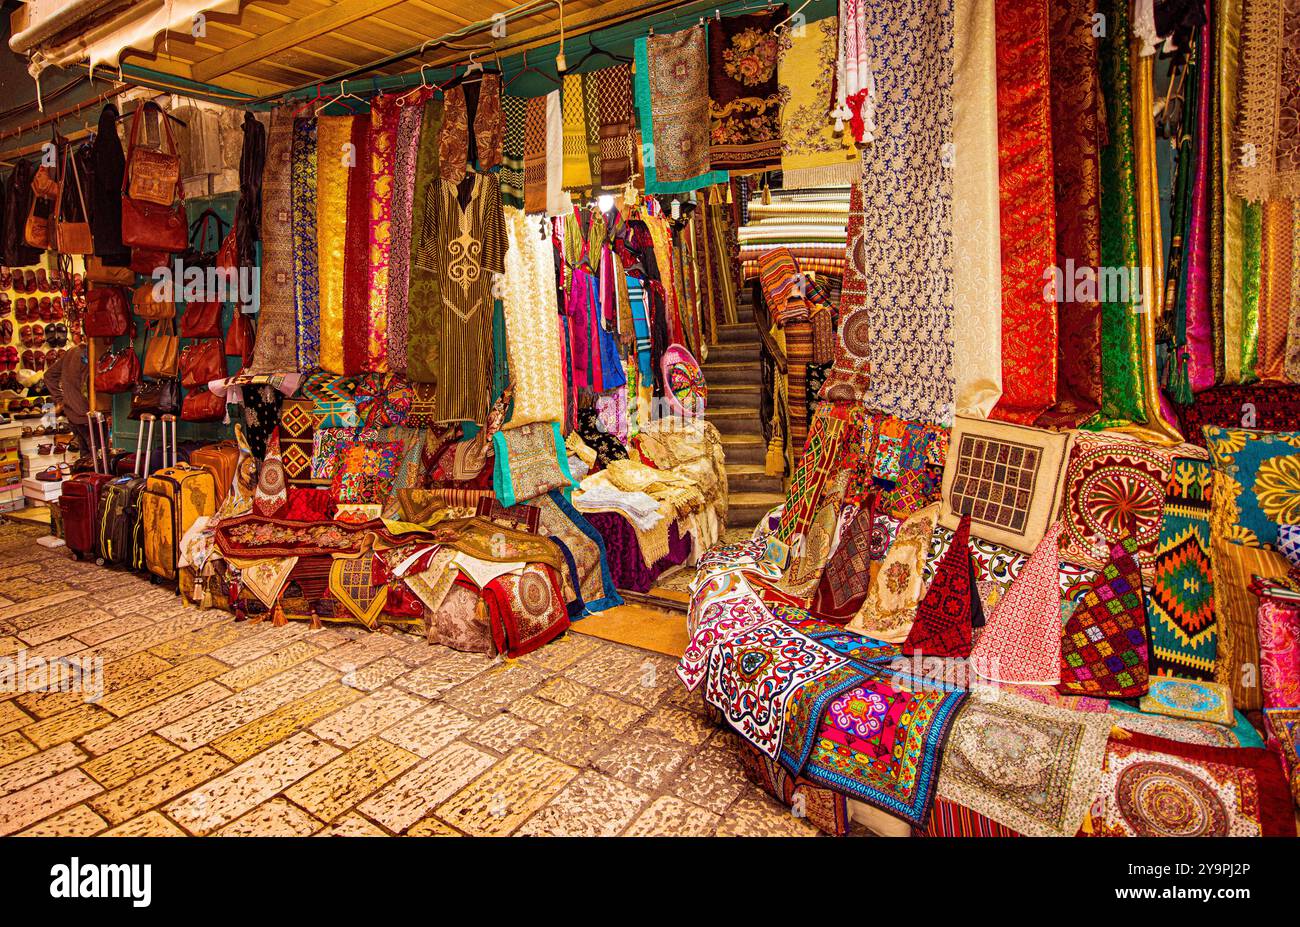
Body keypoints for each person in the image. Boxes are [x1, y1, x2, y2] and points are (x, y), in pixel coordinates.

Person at [43, 341, 92, 459]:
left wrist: (63, 400)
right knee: (98, 459)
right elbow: (88, 388)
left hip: (74, 414)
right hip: (89, 416)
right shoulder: (92, 353)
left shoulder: (73, 351)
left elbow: (49, 375)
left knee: (86, 459)